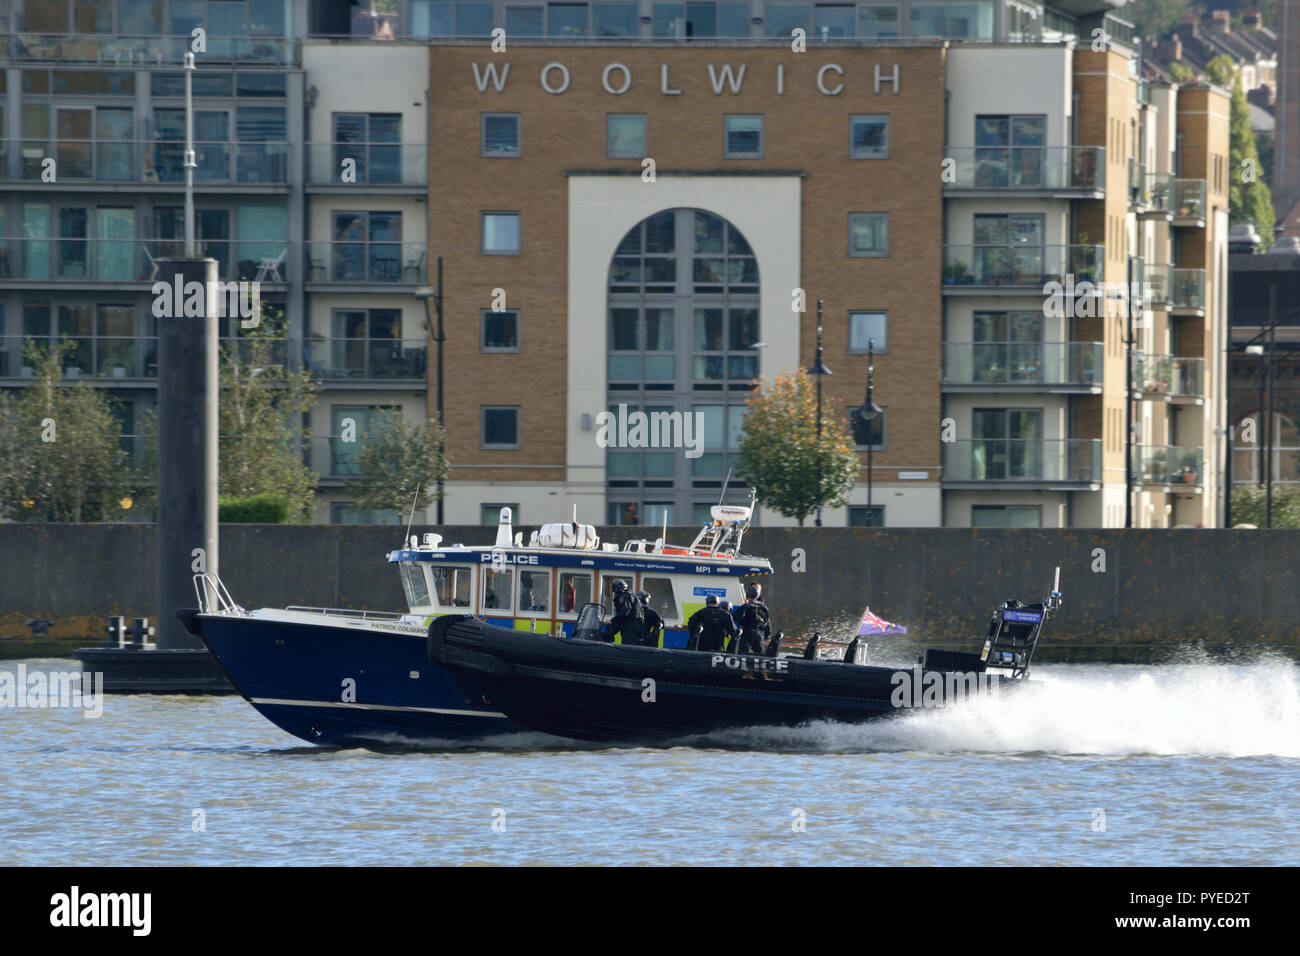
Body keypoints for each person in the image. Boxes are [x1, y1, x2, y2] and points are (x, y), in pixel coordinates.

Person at [732, 584, 771, 656]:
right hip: (760, 634)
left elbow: (736, 616)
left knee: (742, 655)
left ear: (747, 596)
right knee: (760, 656)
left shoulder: (746, 606)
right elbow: (767, 623)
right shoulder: (764, 607)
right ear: (757, 596)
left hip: (747, 633)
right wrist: (767, 636)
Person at [607, 579, 645, 646]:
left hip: (630, 627)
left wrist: (612, 620)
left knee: (627, 647)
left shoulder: (624, 596)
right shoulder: (631, 595)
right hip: (637, 626)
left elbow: (625, 612)